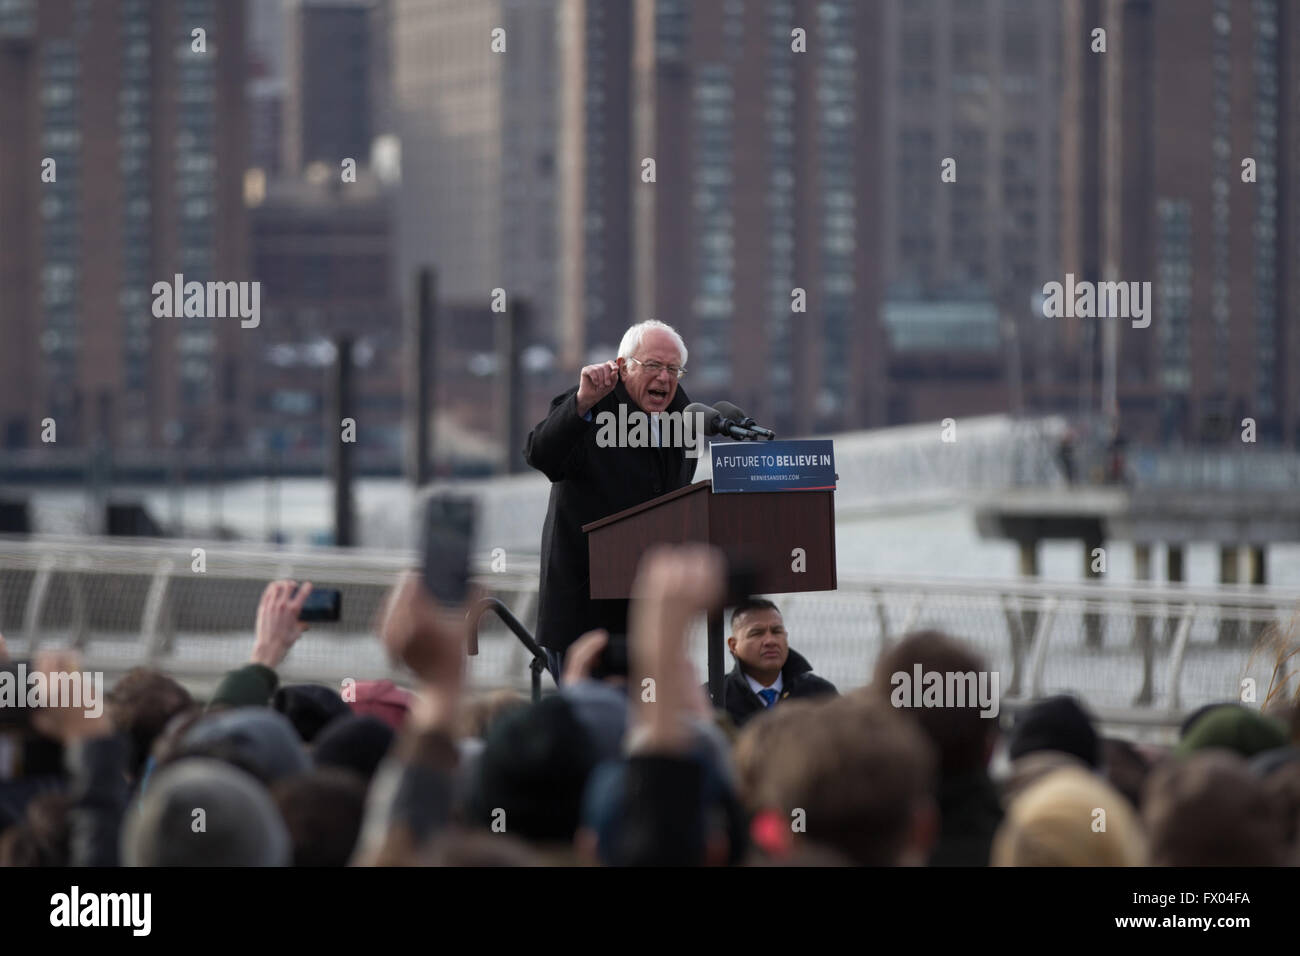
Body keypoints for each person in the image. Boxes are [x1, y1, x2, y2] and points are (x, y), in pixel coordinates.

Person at [524, 320, 699, 679]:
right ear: (622, 366)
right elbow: (541, 455)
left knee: (646, 730)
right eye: (652, 366)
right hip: (585, 615)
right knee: (594, 727)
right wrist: (582, 402)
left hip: (649, 615)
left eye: (672, 369)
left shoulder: (685, 415)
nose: (664, 378)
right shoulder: (591, 404)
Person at [712, 598, 837, 727]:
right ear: (733, 645)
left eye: (777, 631)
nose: (770, 641)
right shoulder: (712, 699)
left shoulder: (820, 694)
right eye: (757, 633)